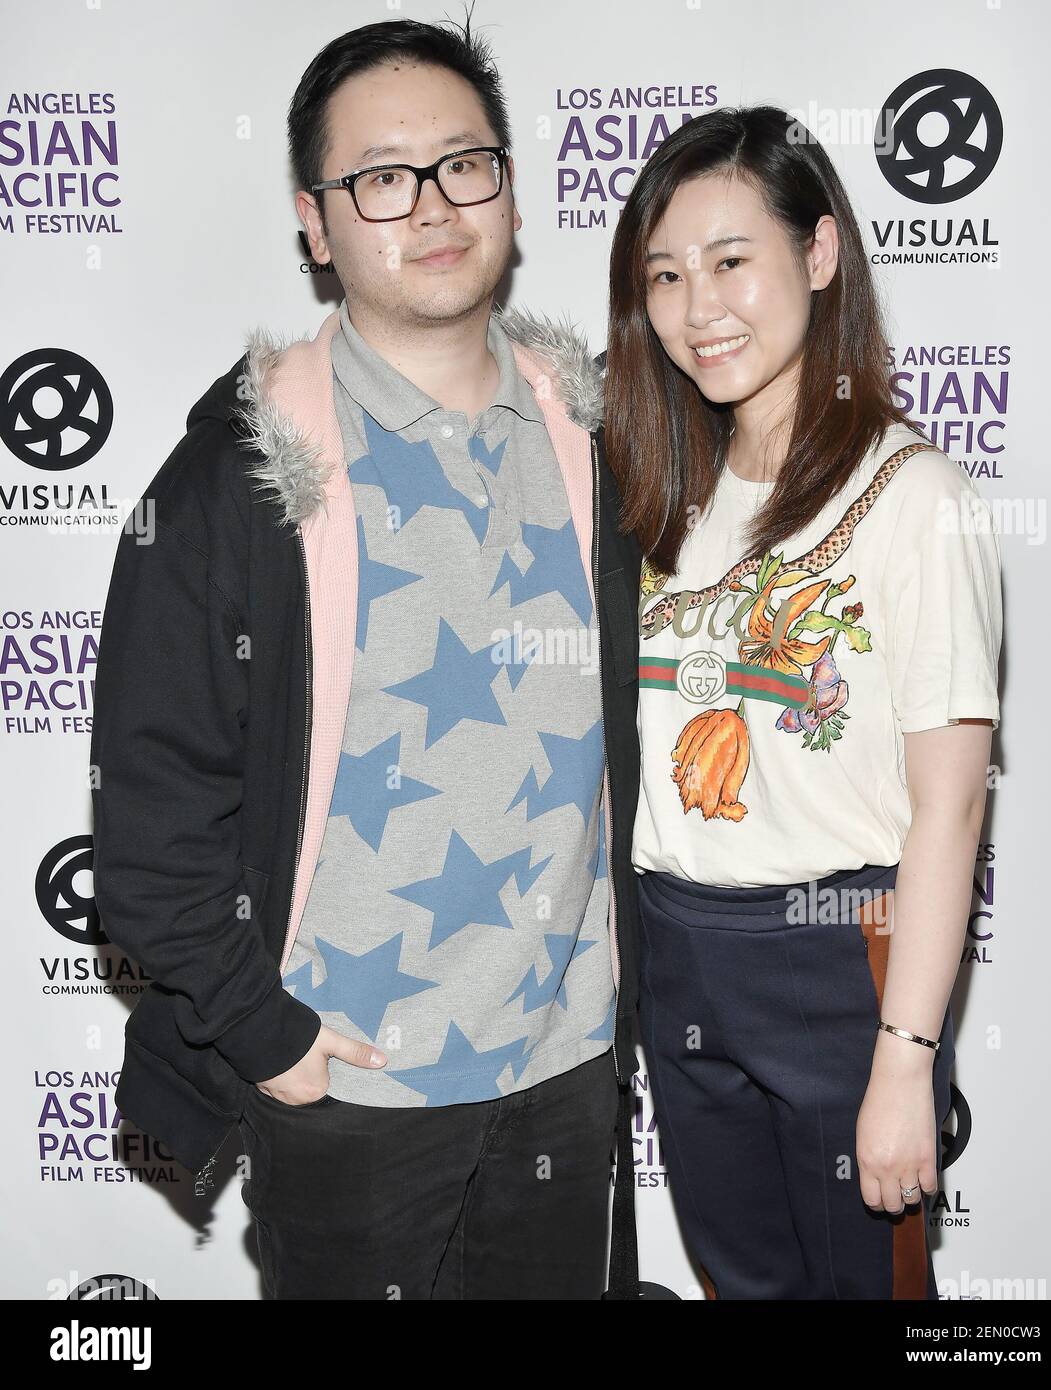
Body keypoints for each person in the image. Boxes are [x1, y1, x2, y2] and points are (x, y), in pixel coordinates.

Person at [89, 16, 644, 1300]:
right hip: (349, 1088)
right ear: (314, 220)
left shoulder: (606, 438)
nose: (434, 204)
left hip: (565, 1068)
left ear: (507, 182)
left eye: (465, 163)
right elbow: (149, 811)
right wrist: (263, 1034)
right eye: (381, 177)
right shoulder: (233, 481)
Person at [603, 105, 1002, 1299]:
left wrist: (904, 1062)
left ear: (818, 255)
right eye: (664, 275)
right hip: (679, 951)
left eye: (731, 262)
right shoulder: (655, 491)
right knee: (739, 1286)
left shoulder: (912, 496)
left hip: (838, 964)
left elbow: (949, 813)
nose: (696, 307)